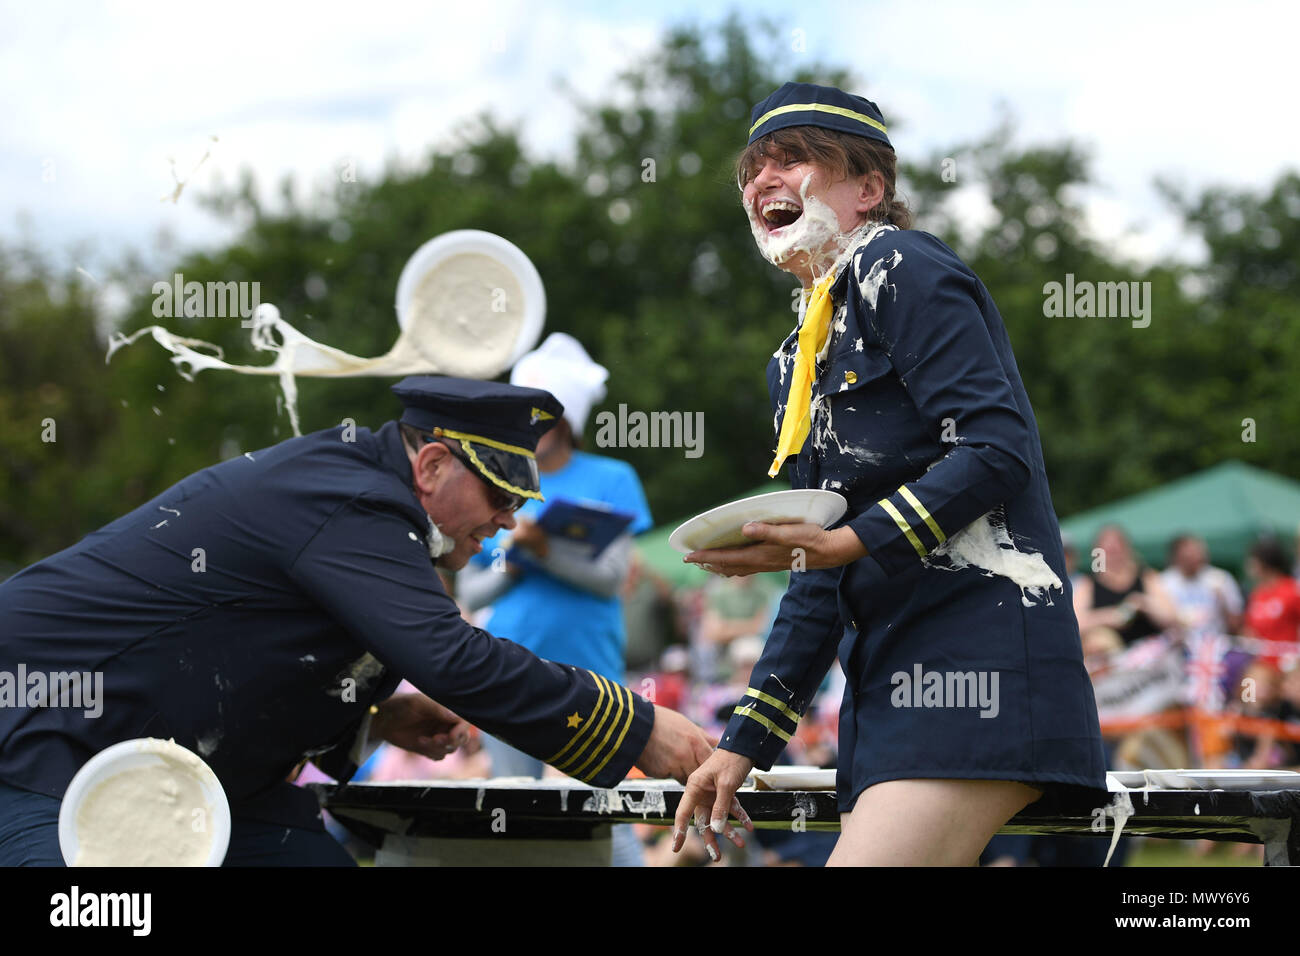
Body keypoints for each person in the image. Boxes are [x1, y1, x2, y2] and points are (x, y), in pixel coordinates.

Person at [0, 376, 715, 866]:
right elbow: (453, 656)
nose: (509, 518)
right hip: (41, 742)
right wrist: (637, 727)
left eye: (520, 502)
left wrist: (376, 717)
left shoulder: (359, 494)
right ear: (432, 464)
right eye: (500, 492)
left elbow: (260, 648)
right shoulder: (355, 501)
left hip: (164, 766)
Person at [670, 82, 1107, 865]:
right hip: (886, 696)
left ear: (869, 188)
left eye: (793, 159)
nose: (761, 181)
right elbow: (817, 571)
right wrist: (745, 741)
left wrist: (852, 543)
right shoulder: (793, 358)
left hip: (983, 666)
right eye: (752, 168)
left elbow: (996, 448)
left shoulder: (896, 262)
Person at [456, 334, 656, 865]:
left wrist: (542, 550)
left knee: (602, 816)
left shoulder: (613, 478)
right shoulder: (492, 481)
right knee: (517, 816)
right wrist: (514, 559)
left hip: (593, 672)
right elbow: (472, 588)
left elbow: (611, 579)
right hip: (507, 671)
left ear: (564, 422)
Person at [1074, 525, 1179, 645]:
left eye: (1117, 549)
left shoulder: (1147, 576)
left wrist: (1143, 604)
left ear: (1127, 549)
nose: (1113, 556)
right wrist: (1108, 617)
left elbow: (1171, 617)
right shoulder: (1088, 584)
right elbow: (1076, 624)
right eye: (1108, 551)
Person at [1159, 533, 1243, 638]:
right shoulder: (1163, 583)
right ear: (1177, 557)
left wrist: (1223, 601)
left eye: (1199, 553)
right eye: (1189, 556)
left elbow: (1236, 623)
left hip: (1214, 644)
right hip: (1178, 646)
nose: (1196, 558)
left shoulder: (1220, 578)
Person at [1242, 537, 1300, 670]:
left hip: (1289, 665)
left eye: (1252, 562)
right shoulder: (1257, 594)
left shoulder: (1291, 590)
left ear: (1264, 563)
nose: (1249, 566)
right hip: (1262, 663)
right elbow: (1250, 628)